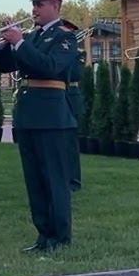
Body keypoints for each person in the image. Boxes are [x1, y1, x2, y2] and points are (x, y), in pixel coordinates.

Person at [0, 0, 79, 252]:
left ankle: (60, 236)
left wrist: (19, 42)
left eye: (39, 4)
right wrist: (5, 44)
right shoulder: (33, 37)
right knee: (34, 180)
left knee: (53, 178)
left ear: (55, 6)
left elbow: (50, 67)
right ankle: (43, 235)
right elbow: (5, 66)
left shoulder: (64, 37)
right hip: (30, 114)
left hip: (52, 115)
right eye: (33, 4)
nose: (34, 9)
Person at [58, 19, 85, 192]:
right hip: (57, 94)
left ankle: (73, 181)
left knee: (70, 142)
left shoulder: (78, 52)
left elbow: (75, 74)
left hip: (70, 96)